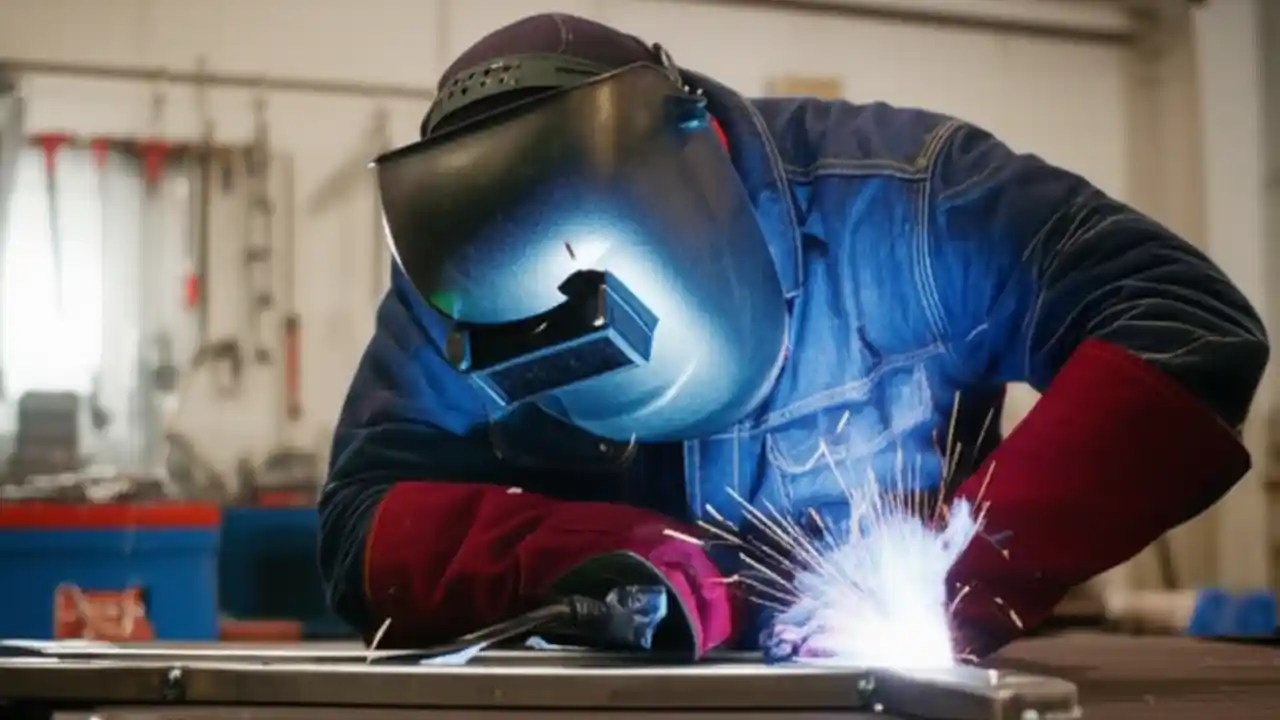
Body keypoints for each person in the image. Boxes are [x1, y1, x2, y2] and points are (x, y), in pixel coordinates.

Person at [318, 13, 1268, 660]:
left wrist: (948, 566)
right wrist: (591, 554)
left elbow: (1186, 322)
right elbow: (364, 521)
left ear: (703, 165)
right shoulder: (457, 283)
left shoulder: (905, 207)